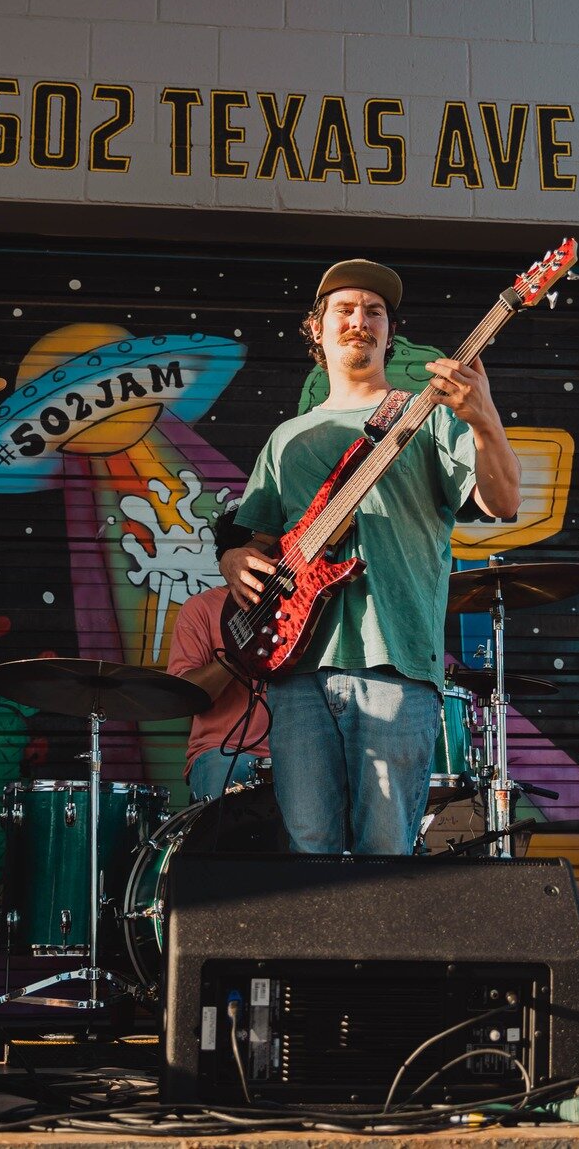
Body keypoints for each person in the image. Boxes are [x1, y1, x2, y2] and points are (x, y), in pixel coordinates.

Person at [222, 259, 521, 855]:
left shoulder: (428, 417)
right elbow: (255, 541)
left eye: (374, 312)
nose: (360, 320)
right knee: (309, 846)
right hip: (297, 669)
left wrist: (483, 416)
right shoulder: (287, 438)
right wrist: (234, 561)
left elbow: (505, 500)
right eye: (345, 309)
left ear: (389, 333)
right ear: (318, 328)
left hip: (397, 662)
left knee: (386, 850)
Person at [167, 510, 271, 802]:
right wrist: (237, 651)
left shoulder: (301, 604)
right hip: (224, 752)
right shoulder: (199, 608)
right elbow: (185, 695)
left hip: (295, 754)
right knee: (225, 829)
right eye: (270, 543)